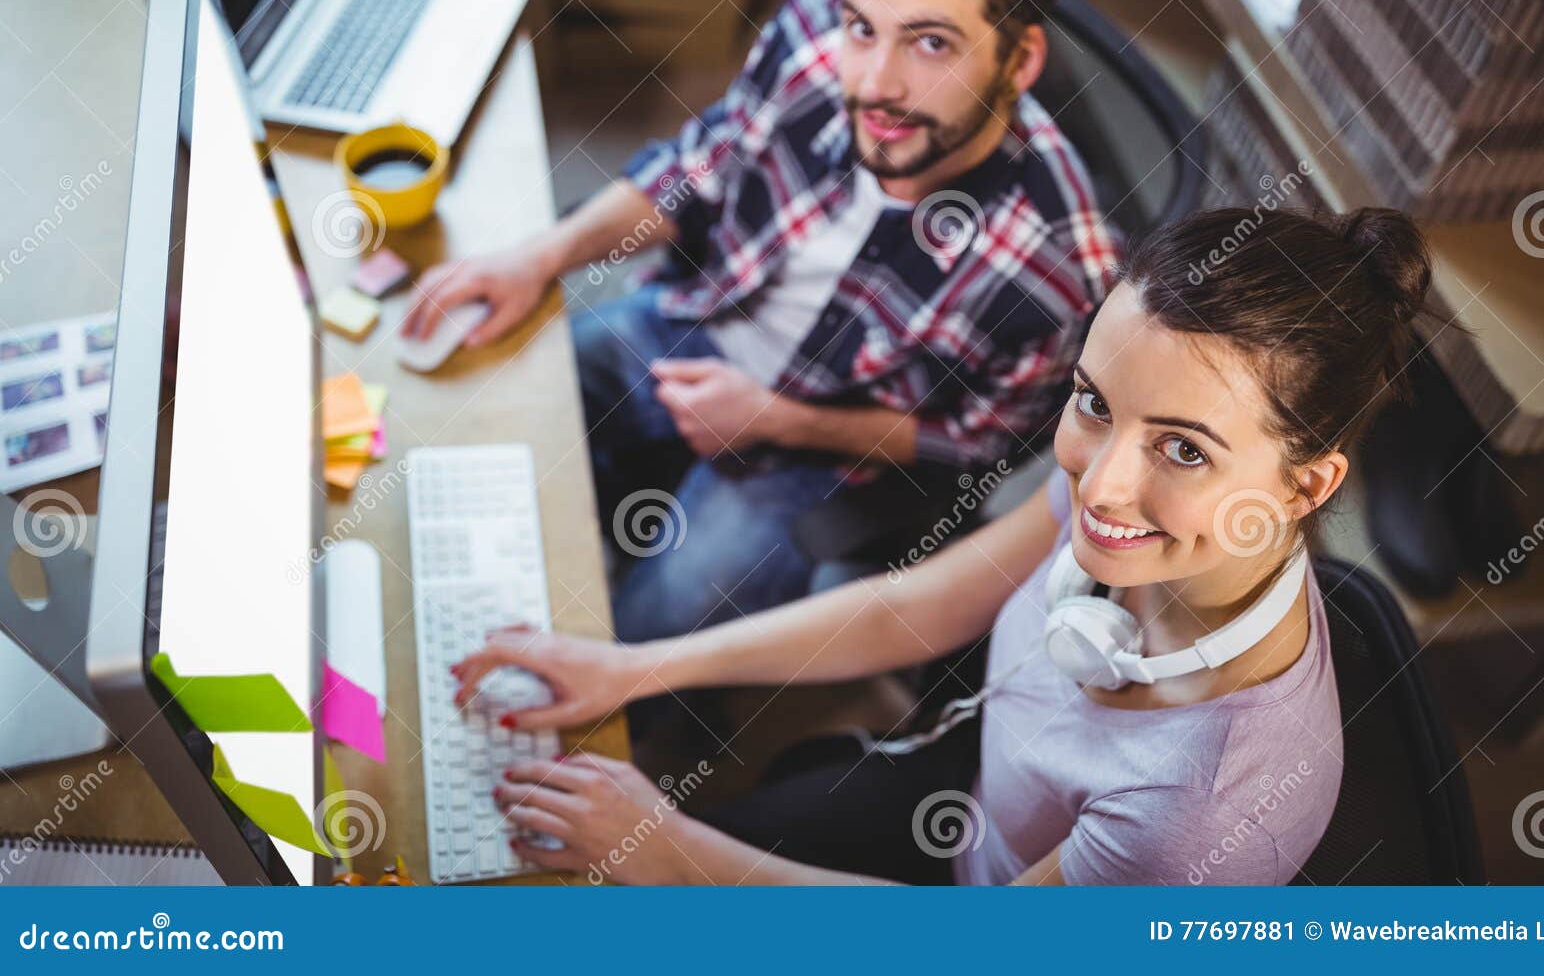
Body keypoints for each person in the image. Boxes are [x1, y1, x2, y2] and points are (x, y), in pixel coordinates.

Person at [449, 203, 1448, 885]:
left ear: (1305, 485)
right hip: (966, 796)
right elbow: (916, 604)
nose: (1098, 484)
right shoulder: (1135, 513)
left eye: (1183, 448)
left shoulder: (1196, 814)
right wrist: (633, 666)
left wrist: (671, 853)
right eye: (1094, 402)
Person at [403, 0, 1121, 644]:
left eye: (931, 45)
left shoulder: (1063, 271)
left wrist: (778, 420)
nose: (874, 84)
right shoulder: (814, 33)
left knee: (652, 629)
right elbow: (697, 168)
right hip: (701, 318)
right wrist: (536, 258)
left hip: (823, 445)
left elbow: (977, 440)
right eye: (863, 28)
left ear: (1019, 59)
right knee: (502, 412)